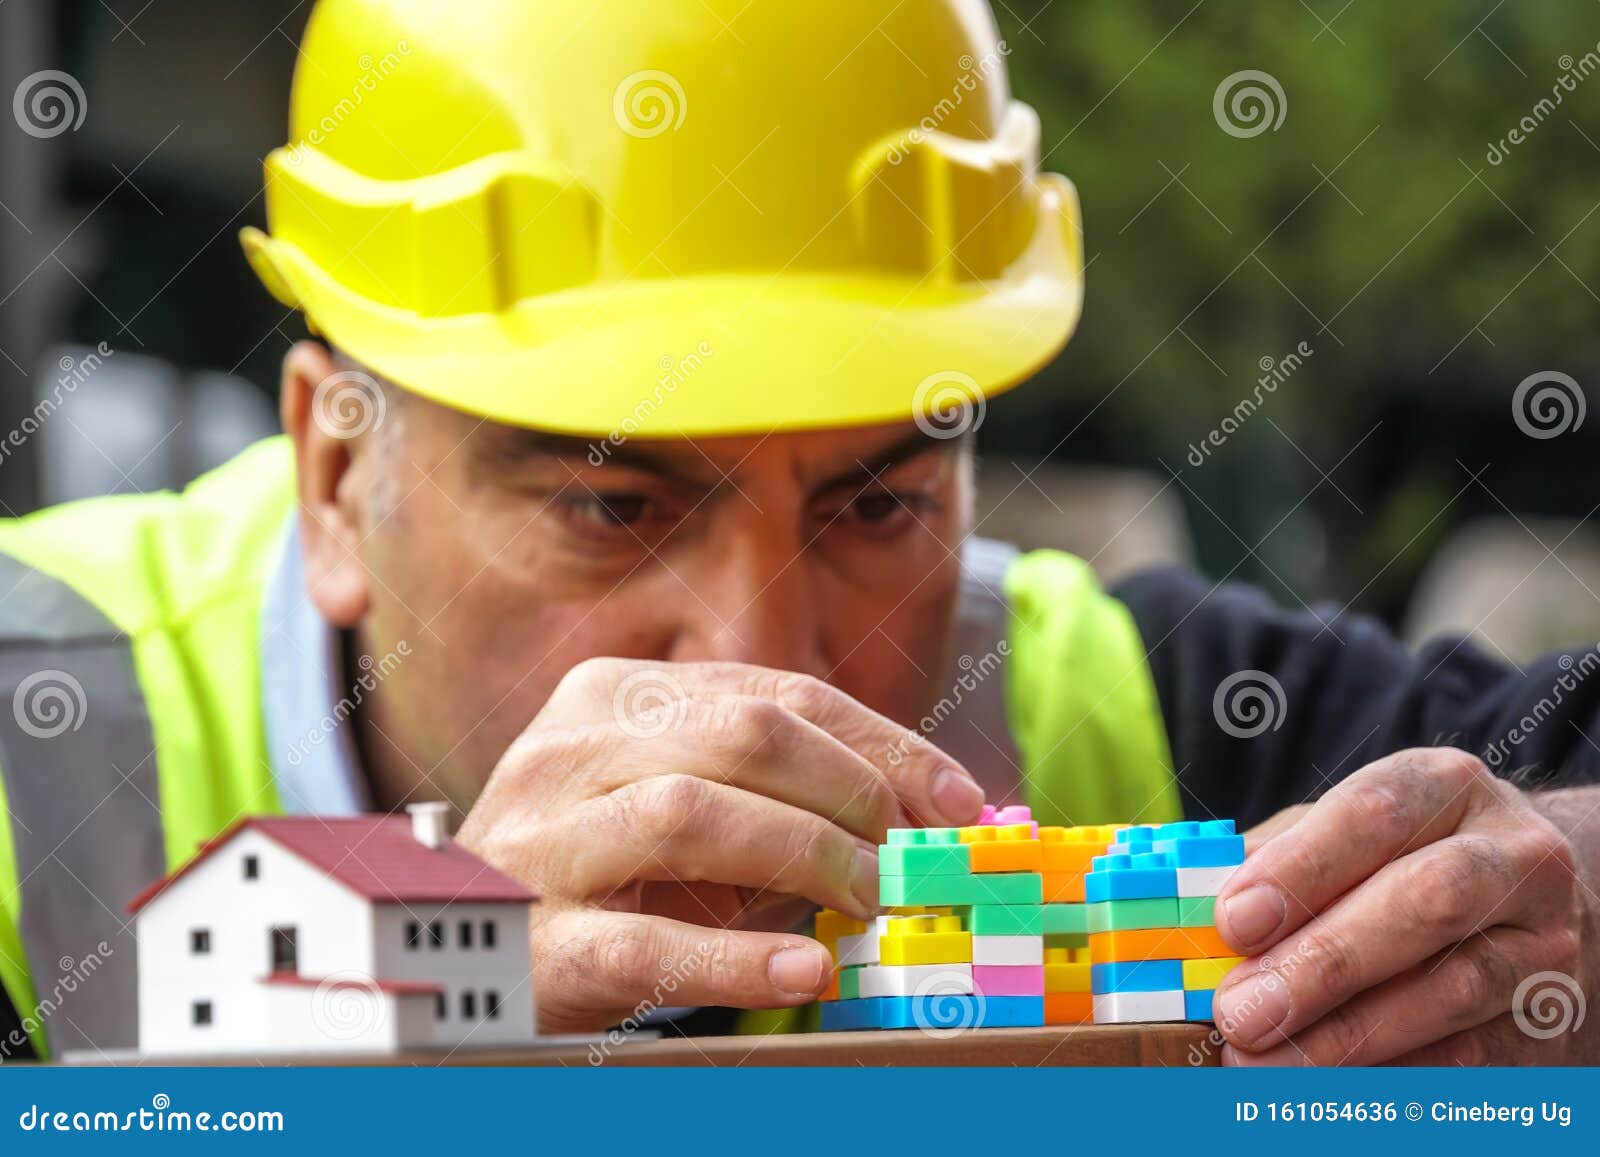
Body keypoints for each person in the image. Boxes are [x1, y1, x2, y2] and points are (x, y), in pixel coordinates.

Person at [0, 0, 1594, 1066]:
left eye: (878, 501)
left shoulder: (1124, 695)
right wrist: (426, 970)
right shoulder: (40, 740)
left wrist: (1546, 920)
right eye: (614, 505)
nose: (765, 660)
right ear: (336, 478)